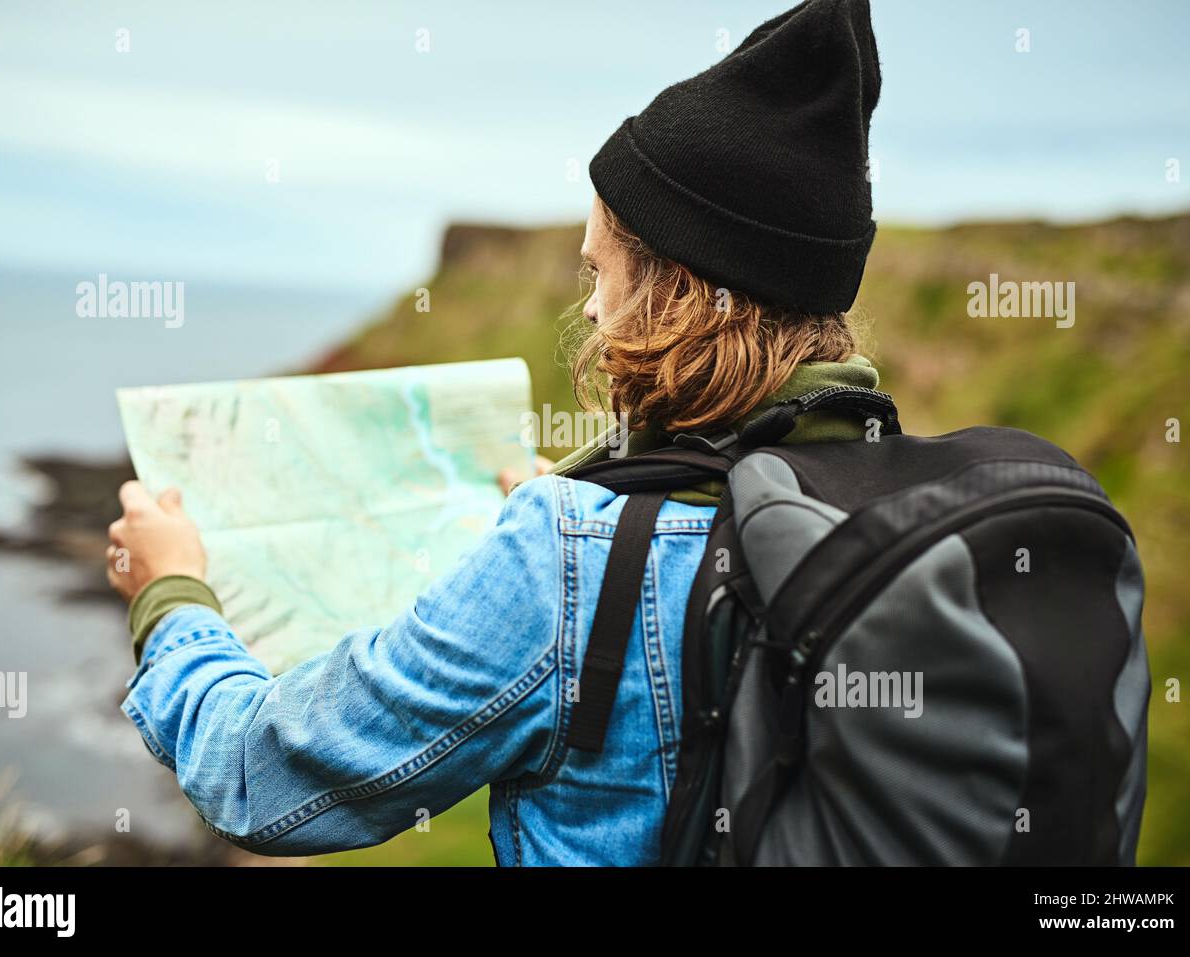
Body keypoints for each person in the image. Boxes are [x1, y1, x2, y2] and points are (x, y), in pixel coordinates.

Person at [108, 0, 883, 865]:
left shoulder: (564, 560)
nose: (590, 306)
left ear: (671, 290)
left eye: (601, 270)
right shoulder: (900, 499)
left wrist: (171, 590)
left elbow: (258, 772)